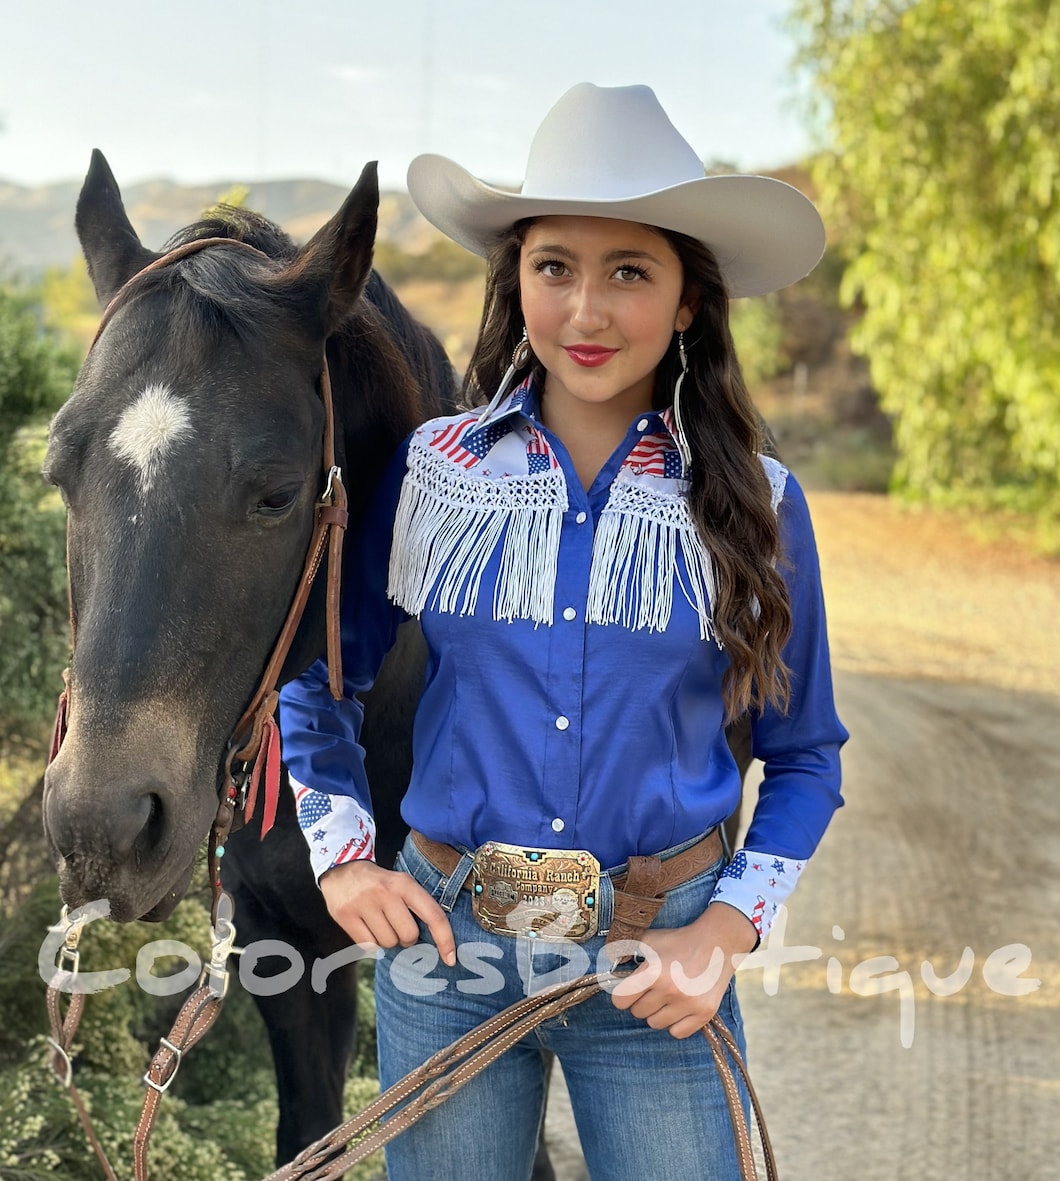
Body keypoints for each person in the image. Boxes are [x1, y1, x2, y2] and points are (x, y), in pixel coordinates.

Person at [279, 82, 848, 1181]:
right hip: (446, 951)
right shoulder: (436, 474)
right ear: (518, 279)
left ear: (689, 300)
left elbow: (806, 754)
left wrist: (722, 934)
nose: (586, 311)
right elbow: (321, 676)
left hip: (657, 961)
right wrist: (345, 860)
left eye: (629, 270)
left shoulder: (757, 505)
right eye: (555, 267)